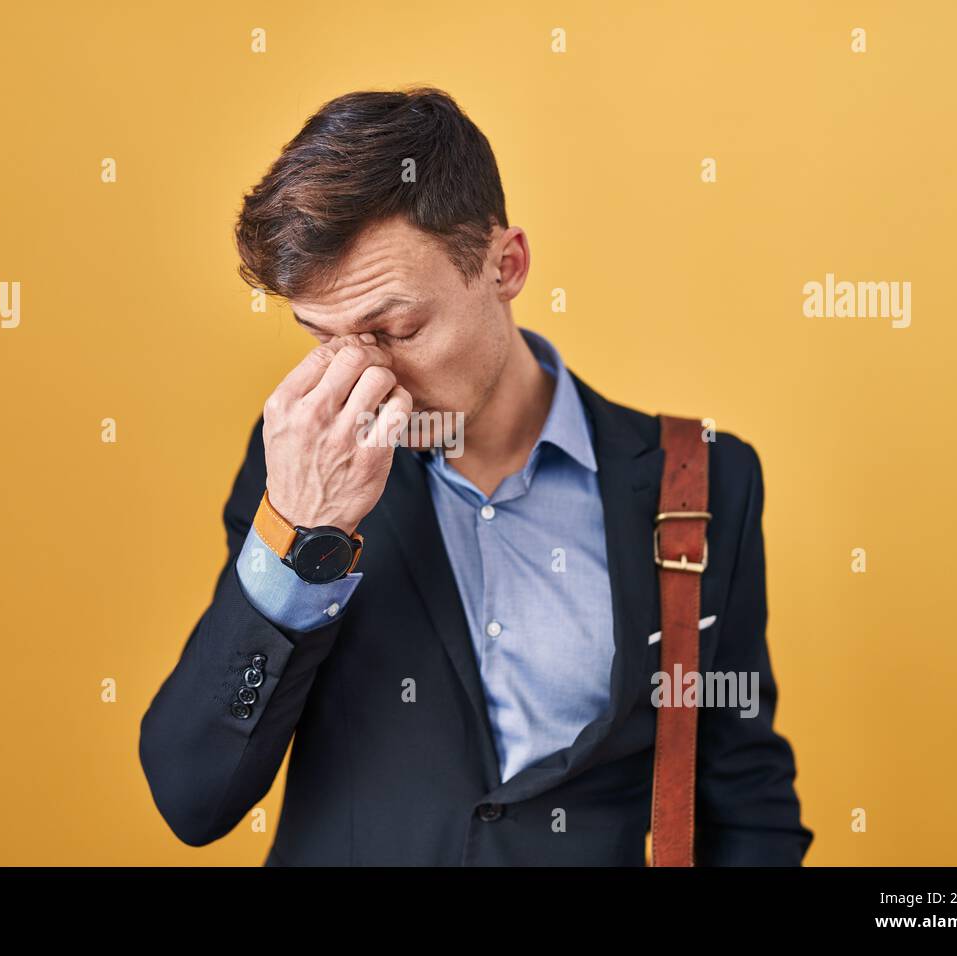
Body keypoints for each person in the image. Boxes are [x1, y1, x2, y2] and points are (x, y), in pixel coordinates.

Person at [138, 87, 812, 865]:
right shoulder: (296, 464)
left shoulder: (700, 481)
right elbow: (193, 797)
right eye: (324, 340)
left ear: (507, 265)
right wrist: (298, 530)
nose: (364, 380)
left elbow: (744, 795)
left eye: (396, 330)